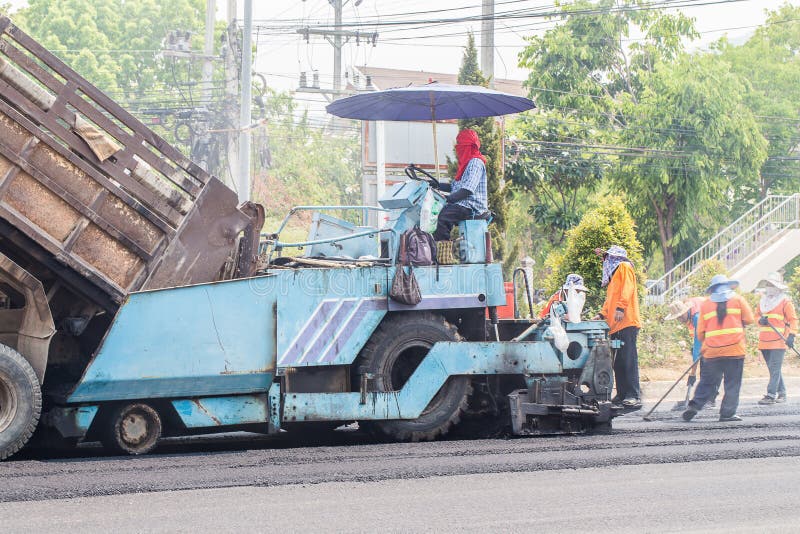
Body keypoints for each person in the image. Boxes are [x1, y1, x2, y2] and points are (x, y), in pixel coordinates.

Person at [683, 274, 754, 423]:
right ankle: (727, 414)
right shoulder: (738, 300)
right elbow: (749, 319)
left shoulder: (706, 304)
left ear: (713, 289)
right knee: (732, 383)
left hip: (713, 352)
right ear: (728, 286)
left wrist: (708, 342)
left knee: (708, 381)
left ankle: (694, 405)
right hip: (735, 351)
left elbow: (700, 332)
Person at [594, 245, 642, 409]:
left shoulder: (624, 267)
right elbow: (609, 302)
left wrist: (621, 308)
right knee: (618, 362)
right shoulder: (613, 279)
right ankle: (622, 394)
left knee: (628, 359)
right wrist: (601, 314)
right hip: (615, 325)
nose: (605, 261)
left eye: (607, 257)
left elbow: (627, 290)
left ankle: (633, 395)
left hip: (627, 321)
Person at [433, 129, 488, 241]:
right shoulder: (466, 164)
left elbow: (467, 190)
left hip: (472, 206)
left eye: (460, 145)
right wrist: (436, 185)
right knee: (434, 214)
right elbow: (454, 187)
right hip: (464, 204)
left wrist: (449, 199)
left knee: (443, 218)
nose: (457, 148)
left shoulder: (475, 163)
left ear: (467, 146)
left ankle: (442, 255)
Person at [665, 296, 718, 408]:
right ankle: (707, 398)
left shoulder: (697, 317)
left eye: (680, 316)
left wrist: (692, 373)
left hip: (718, 335)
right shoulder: (691, 314)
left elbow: (698, 346)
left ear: (685, 311)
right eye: (677, 318)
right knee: (705, 367)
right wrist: (693, 372)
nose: (680, 320)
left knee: (709, 369)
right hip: (709, 336)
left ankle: (710, 399)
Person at [755, 272, 797, 405]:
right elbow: (755, 317)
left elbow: (793, 320)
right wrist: (760, 320)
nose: (769, 287)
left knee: (774, 369)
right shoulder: (762, 302)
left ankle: (770, 395)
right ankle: (782, 393)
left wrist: (792, 335)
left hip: (779, 341)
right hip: (764, 342)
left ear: (777, 287)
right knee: (774, 370)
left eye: (771, 284)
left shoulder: (785, 301)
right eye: (768, 284)